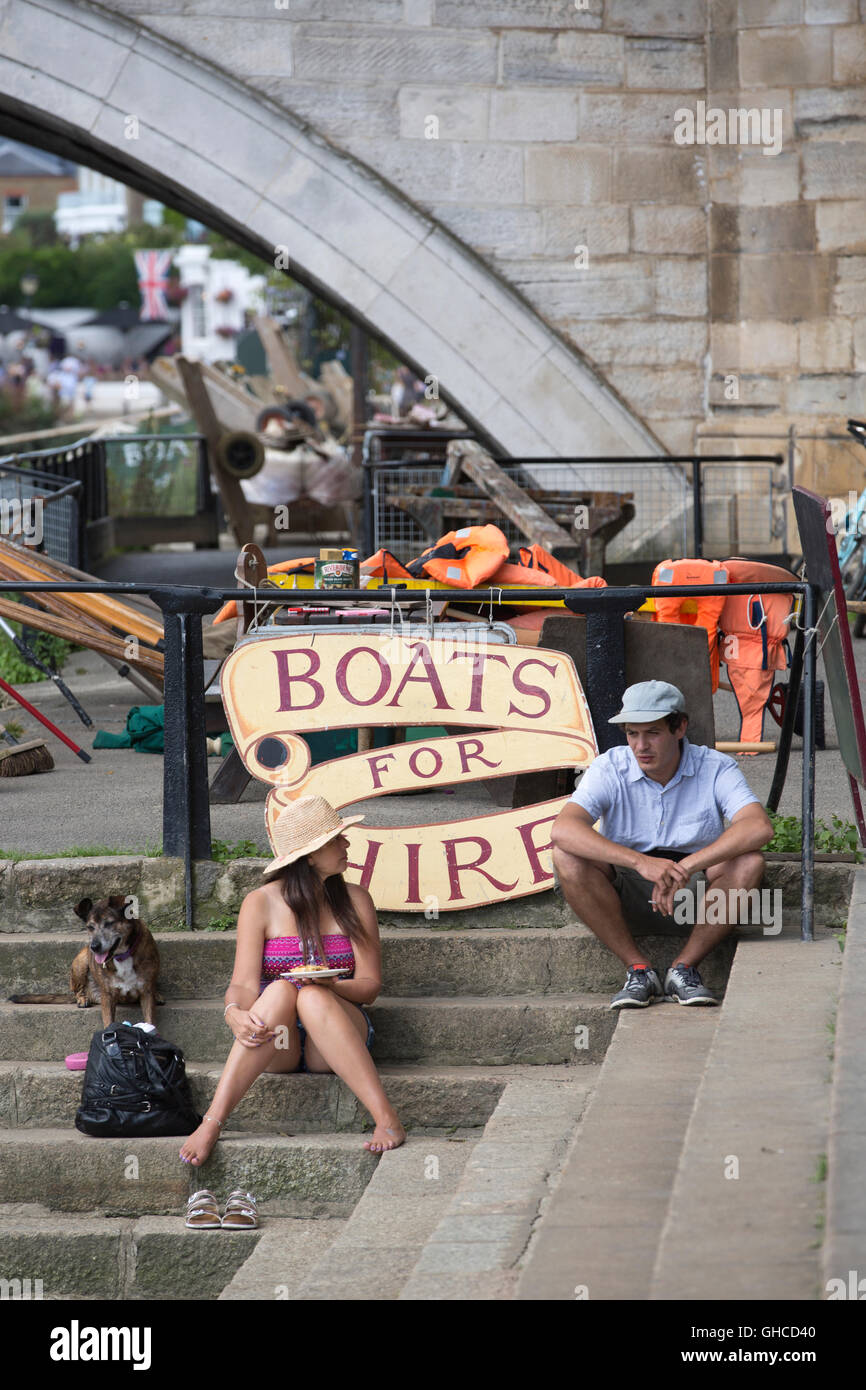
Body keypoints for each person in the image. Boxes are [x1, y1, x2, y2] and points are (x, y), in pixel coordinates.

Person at [179, 796, 406, 1166]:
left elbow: (370, 986)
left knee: (312, 996)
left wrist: (329, 986)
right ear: (311, 855)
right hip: (278, 1041)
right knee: (283, 988)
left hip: (336, 1032)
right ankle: (212, 1122)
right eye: (336, 840)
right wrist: (233, 1011)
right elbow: (244, 984)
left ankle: (387, 1119)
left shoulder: (356, 900)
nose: (346, 845)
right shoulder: (260, 902)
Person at [551, 680, 773, 1010]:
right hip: (623, 897)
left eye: (652, 733)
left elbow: (758, 826)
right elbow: (563, 829)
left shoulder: (714, 766)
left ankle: (684, 968)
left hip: (695, 898)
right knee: (566, 856)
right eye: (632, 733)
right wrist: (641, 863)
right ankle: (638, 969)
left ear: (679, 727)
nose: (641, 745)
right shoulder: (611, 766)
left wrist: (684, 867)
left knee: (749, 861)